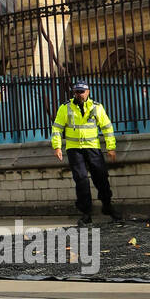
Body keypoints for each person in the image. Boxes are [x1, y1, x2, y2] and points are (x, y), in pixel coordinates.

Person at [51, 79, 123, 227]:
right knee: (81, 179)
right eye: (76, 92)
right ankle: (86, 214)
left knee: (101, 177)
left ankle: (107, 206)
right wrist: (57, 147)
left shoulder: (96, 107)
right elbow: (57, 128)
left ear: (88, 92)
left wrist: (111, 148)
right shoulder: (65, 108)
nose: (79, 94)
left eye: (82, 92)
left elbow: (107, 127)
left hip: (92, 147)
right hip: (74, 149)